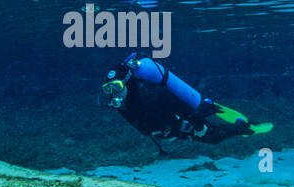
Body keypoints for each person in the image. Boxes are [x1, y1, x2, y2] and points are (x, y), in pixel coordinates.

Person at [99, 53, 272, 150]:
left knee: (213, 137)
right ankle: (237, 126)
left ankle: (244, 128)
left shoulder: (150, 94)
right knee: (211, 136)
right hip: (170, 130)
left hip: (181, 124)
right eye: (108, 89)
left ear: (127, 81)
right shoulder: (121, 103)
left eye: (117, 86)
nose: (114, 93)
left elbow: (175, 104)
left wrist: (197, 122)